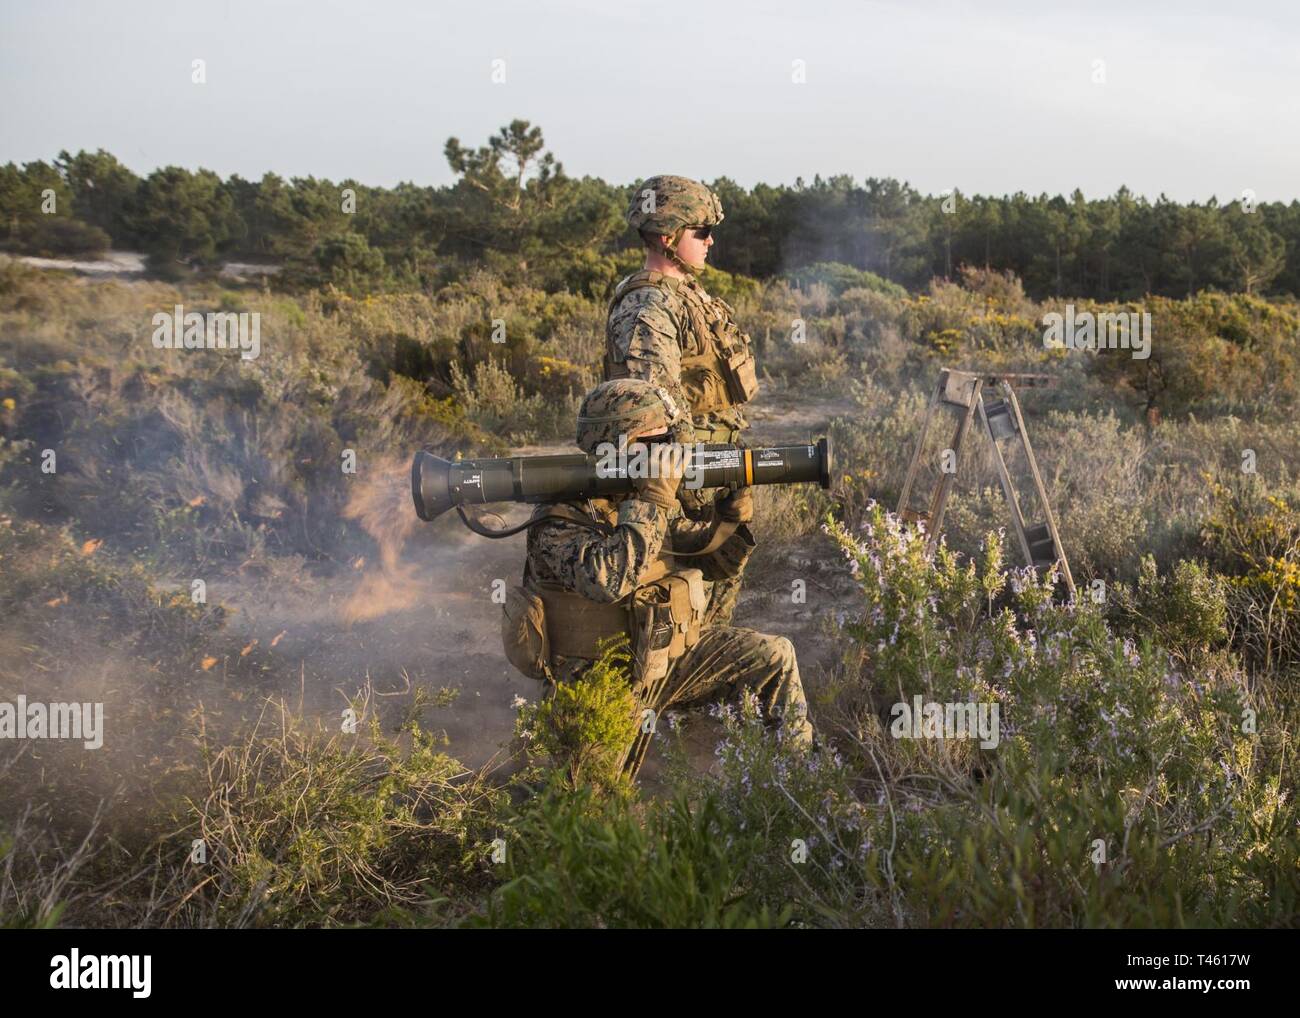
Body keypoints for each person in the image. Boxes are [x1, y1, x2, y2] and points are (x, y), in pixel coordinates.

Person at [502, 378, 813, 774]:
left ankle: (801, 781)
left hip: (664, 661)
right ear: (615, 445)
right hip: (598, 679)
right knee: (586, 808)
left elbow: (711, 564)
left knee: (774, 657)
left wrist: (732, 518)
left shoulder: (638, 497)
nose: (668, 452)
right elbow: (607, 580)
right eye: (655, 441)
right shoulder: (561, 517)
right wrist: (653, 500)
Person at [604, 174, 762, 626]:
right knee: (684, 618)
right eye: (702, 232)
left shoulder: (687, 295)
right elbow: (655, 418)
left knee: (711, 607)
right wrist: (694, 498)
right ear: (669, 237)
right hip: (681, 494)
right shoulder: (648, 308)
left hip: (711, 482)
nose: (711, 241)